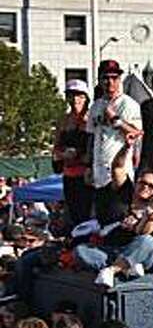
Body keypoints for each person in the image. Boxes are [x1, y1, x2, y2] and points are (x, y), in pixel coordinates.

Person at [78, 142, 153, 289]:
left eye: (151, 186)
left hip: (139, 252)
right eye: (142, 183)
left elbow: (144, 233)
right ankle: (126, 266)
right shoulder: (124, 191)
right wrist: (127, 147)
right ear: (136, 182)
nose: (145, 187)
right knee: (81, 251)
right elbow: (117, 167)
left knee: (147, 241)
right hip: (111, 250)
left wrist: (148, 219)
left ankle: (112, 270)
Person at [87, 59, 142, 191]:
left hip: (120, 171)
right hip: (99, 172)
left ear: (119, 79)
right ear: (100, 80)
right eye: (106, 78)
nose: (110, 82)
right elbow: (91, 137)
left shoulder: (128, 104)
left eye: (114, 78)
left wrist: (116, 120)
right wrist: (88, 166)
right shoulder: (96, 106)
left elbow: (137, 133)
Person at [52, 78, 93, 225]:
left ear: (86, 98)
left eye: (79, 95)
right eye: (71, 95)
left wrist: (79, 155)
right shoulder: (63, 121)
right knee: (74, 214)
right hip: (69, 174)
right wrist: (62, 154)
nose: (75, 99)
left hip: (87, 174)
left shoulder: (91, 119)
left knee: (88, 215)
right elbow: (56, 147)